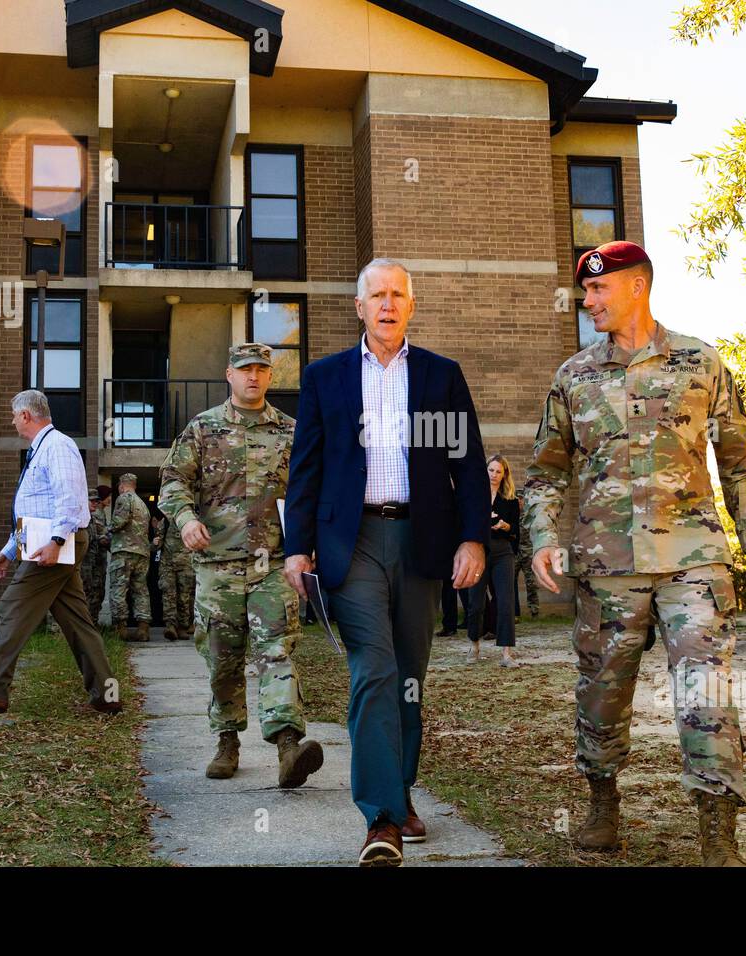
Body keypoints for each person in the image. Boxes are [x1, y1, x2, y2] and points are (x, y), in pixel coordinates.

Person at [524, 240, 746, 865]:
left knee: (706, 689)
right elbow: (544, 473)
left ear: (636, 287)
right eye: (585, 291)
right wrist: (542, 539)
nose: (588, 302)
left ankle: (717, 828)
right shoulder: (573, 377)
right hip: (605, 565)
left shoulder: (702, 362)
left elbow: (740, 460)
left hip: (693, 557)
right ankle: (602, 801)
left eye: (598, 290)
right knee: (602, 690)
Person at [284, 258, 490, 867]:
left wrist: (473, 538)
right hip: (354, 543)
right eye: (376, 295)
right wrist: (298, 546)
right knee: (373, 668)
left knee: (407, 675)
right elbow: (306, 470)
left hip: (422, 542)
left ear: (411, 305)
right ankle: (381, 816)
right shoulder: (327, 378)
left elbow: (467, 465)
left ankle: (399, 793)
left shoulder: (438, 377)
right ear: (359, 306)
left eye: (398, 294)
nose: (387, 304)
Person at [159, 343, 323, 788]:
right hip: (217, 565)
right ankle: (226, 740)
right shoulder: (202, 428)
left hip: (273, 564)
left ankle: (289, 746)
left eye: (262, 370)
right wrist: (186, 519)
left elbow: (311, 492)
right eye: (245, 369)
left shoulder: (293, 431)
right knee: (222, 660)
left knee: (277, 651)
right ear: (228, 374)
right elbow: (173, 481)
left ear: (270, 377)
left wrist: (308, 548)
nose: (254, 376)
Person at [0, 390, 119, 714]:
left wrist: (55, 542)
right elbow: (38, 509)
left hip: (57, 545)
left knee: (14, 605)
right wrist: (10, 551)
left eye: (14, 416)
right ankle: (106, 696)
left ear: (26, 415)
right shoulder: (42, 450)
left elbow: (69, 500)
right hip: (52, 542)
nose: (12, 422)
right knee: (77, 621)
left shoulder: (56, 447)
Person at [465, 455, 520, 666]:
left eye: (499, 471)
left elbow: (515, 530)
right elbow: (465, 521)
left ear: (504, 474)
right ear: (485, 470)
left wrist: (506, 527)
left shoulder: (510, 499)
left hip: (502, 552)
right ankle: (474, 645)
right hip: (479, 550)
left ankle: (506, 653)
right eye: (491, 470)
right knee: (476, 601)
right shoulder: (474, 495)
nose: (494, 475)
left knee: (506, 602)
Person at [108, 473, 152, 642]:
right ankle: (143, 628)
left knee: (119, 589)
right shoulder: (143, 504)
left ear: (121, 485)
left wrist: (107, 530)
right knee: (141, 590)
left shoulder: (124, 498)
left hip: (124, 550)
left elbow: (118, 522)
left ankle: (120, 628)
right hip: (142, 553)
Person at [156, 514, 196, 642]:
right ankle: (171, 626)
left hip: (186, 565)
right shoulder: (165, 522)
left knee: (184, 597)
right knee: (169, 595)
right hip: (168, 565)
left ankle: (183, 627)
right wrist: (154, 544)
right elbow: (158, 543)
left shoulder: (192, 520)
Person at [84, 484, 113, 625]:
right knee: (90, 593)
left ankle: (92, 624)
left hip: (97, 561)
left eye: (97, 500)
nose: (96, 503)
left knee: (97, 593)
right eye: (92, 501)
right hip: (90, 564)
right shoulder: (91, 516)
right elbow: (100, 536)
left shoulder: (95, 514)